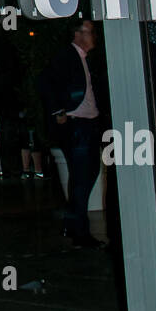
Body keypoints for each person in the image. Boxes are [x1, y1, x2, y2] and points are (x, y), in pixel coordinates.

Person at [40, 19, 109, 248]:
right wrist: (59, 111)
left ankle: (73, 223)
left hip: (88, 123)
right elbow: (48, 82)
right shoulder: (66, 57)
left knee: (87, 174)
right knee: (82, 176)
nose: (94, 37)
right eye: (90, 32)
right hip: (76, 124)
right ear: (78, 34)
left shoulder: (86, 60)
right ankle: (80, 232)